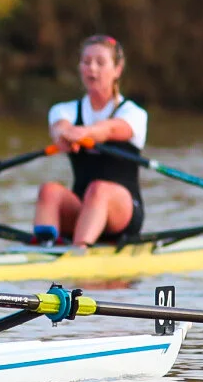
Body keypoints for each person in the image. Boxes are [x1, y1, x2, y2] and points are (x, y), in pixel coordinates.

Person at [33, 34, 149, 248]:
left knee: (99, 190)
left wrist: (85, 134)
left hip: (123, 214)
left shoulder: (133, 113)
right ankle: (43, 249)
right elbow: (59, 127)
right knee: (49, 190)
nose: (92, 69)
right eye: (86, 62)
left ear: (117, 70)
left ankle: (79, 252)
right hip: (82, 208)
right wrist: (63, 134)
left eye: (100, 62)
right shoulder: (63, 110)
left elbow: (112, 129)